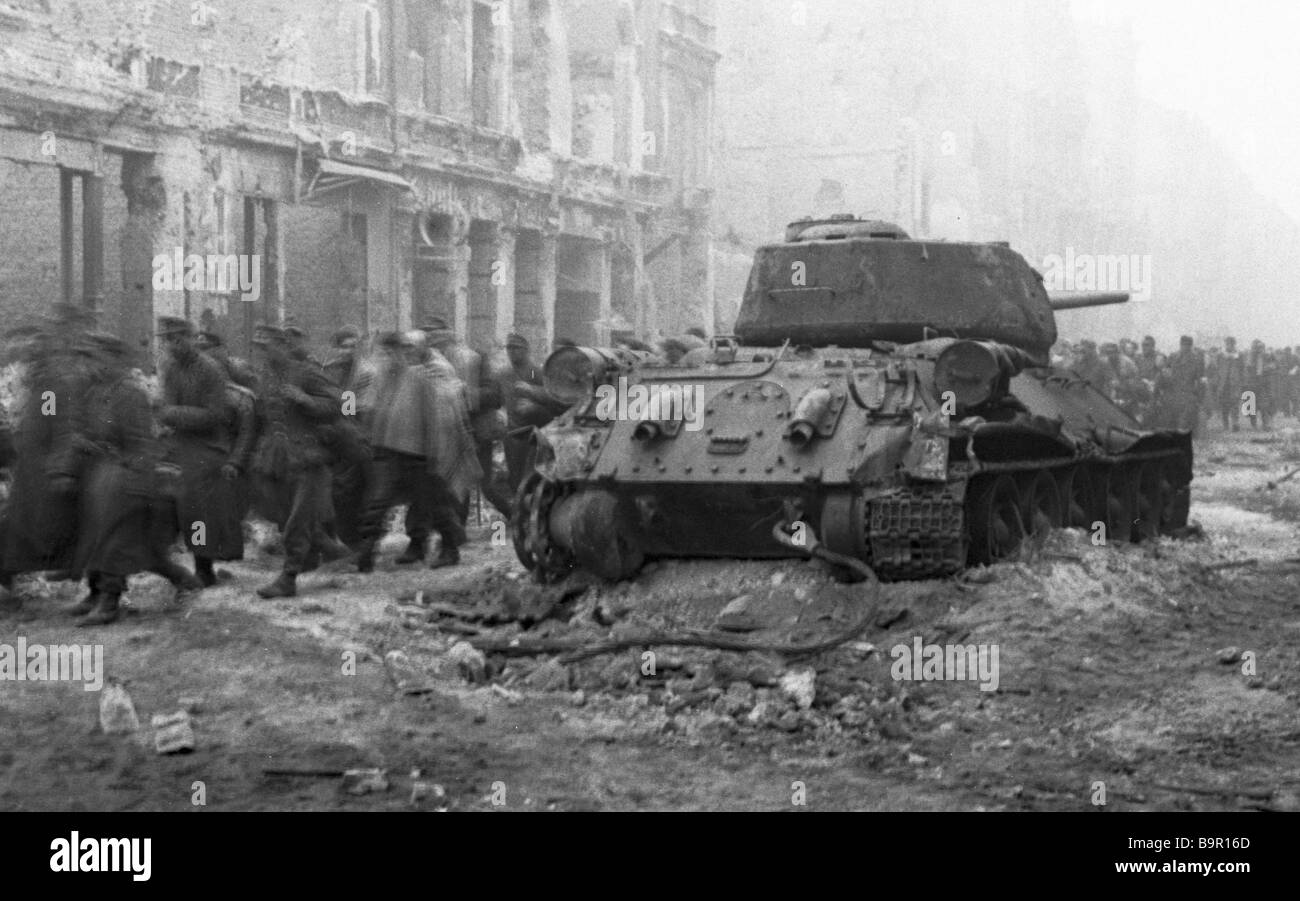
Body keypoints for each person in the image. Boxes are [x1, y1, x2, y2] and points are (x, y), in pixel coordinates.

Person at [63, 334, 160, 626]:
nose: (90, 364)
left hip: (123, 474)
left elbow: (142, 443)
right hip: (99, 471)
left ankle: (110, 601)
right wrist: (84, 441)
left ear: (114, 358)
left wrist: (137, 481)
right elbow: (90, 427)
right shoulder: (97, 391)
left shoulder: (130, 393)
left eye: (96, 357)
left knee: (114, 539)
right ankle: (94, 592)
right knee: (94, 535)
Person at [249, 324, 341, 598]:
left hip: (306, 457)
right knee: (285, 514)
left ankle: (288, 578)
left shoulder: (306, 372)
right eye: (261, 349)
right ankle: (324, 553)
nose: (265, 353)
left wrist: (306, 400)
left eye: (270, 347)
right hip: (276, 458)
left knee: (297, 520)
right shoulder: (265, 376)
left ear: (284, 345)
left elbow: (342, 403)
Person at [155, 317, 241, 588]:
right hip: (179, 444)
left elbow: (216, 415)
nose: (172, 345)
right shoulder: (171, 369)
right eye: (167, 339)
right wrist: (170, 416)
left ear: (192, 338)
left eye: (178, 338)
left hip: (207, 447)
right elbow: (166, 406)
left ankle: (203, 567)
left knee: (198, 512)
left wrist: (172, 414)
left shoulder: (210, 370)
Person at [1158, 335, 1205, 434]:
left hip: (1188, 389)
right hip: (1173, 389)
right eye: (1183, 345)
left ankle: (1182, 430)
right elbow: (1166, 370)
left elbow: (1199, 378)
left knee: (1187, 409)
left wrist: (1197, 393)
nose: (1184, 347)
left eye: (1187, 345)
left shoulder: (1196, 359)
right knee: (1167, 408)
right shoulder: (1173, 356)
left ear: (1190, 346)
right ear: (1180, 345)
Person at [1214, 337, 1245, 432]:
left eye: (1231, 344)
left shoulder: (1239, 355)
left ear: (1234, 345)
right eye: (1227, 344)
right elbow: (1216, 368)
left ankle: (1235, 423)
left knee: (1234, 403)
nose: (1229, 346)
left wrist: (1241, 381)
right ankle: (1225, 424)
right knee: (1224, 404)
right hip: (1223, 383)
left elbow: (1242, 369)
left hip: (1234, 383)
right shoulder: (1220, 355)